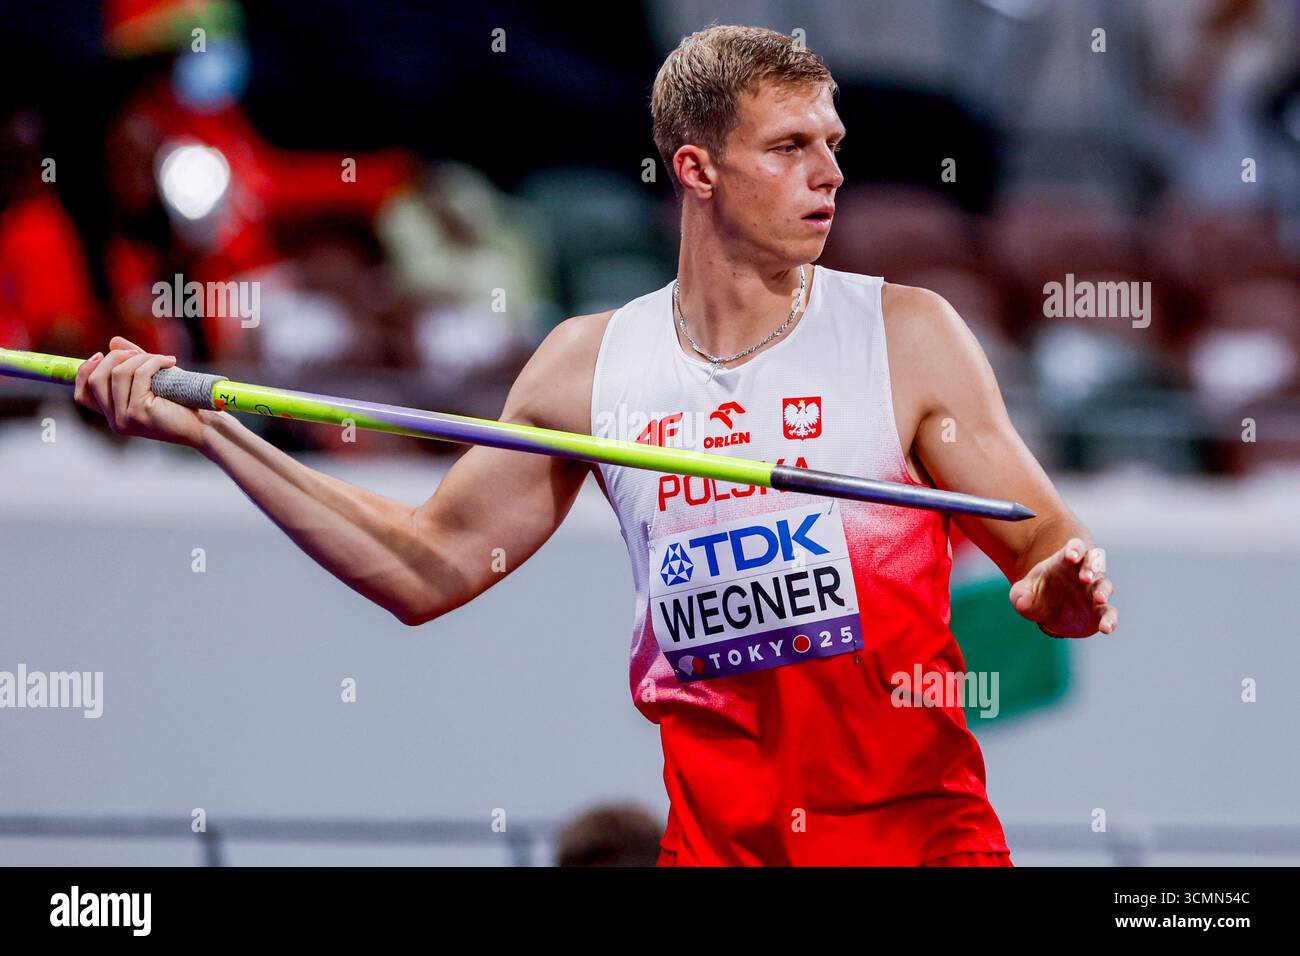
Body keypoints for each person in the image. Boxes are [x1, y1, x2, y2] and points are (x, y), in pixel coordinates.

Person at [72, 25, 1117, 866]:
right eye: (790, 148)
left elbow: (1043, 543)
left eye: (833, 145)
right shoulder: (588, 368)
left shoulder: (905, 333)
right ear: (698, 169)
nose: (829, 174)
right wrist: (204, 427)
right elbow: (423, 562)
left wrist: (1057, 589)